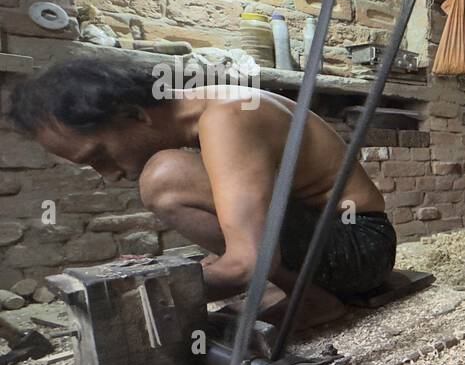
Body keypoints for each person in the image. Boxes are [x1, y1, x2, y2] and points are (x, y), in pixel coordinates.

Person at [7, 59, 396, 325]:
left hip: (360, 247)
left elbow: (248, 264)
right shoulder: (208, 109)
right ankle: (299, 293)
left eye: (99, 155)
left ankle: (312, 301)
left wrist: (141, 300)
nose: (108, 175)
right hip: (331, 238)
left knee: (165, 178)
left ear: (133, 114)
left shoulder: (226, 117)